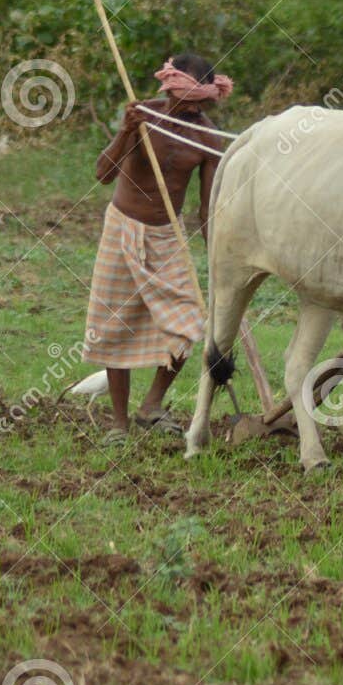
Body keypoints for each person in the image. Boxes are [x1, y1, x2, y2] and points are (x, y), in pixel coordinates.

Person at [84, 53, 231, 443]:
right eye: (186, 100)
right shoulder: (142, 115)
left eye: (200, 102)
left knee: (188, 324)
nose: (193, 108)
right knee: (114, 326)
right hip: (122, 227)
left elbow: (205, 208)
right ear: (169, 89)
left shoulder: (208, 138)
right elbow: (102, 174)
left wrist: (218, 253)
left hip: (168, 236)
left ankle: (151, 406)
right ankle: (118, 424)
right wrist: (127, 132)